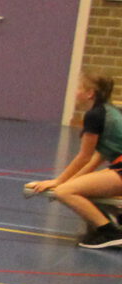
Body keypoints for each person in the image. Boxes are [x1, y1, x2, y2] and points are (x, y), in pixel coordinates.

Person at [24, 73, 122, 250]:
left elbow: (84, 156)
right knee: (78, 186)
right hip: (119, 166)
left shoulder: (95, 115)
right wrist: (73, 180)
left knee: (64, 192)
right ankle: (110, 221)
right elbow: (98, 157)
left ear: (90, 93)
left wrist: (59, 182)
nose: (75, 92)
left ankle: (110, 233)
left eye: (79, 88)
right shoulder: (108, 110)